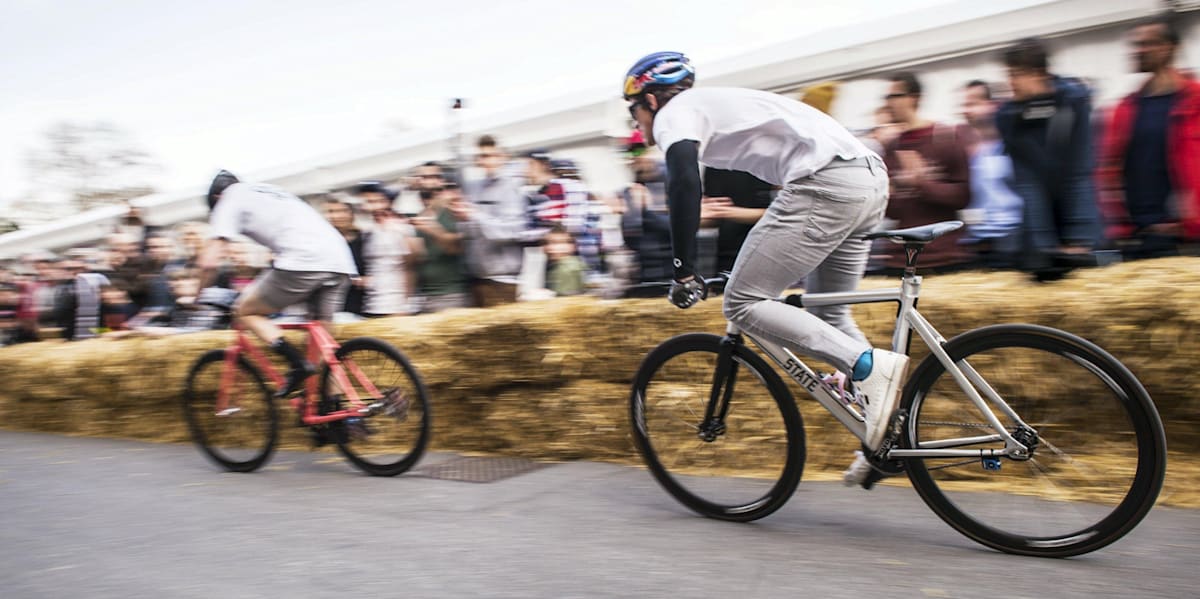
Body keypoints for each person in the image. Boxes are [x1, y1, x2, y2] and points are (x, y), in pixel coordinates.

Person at [622, 51, 908, 455]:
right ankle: (887, 439)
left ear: (650, 100)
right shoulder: (717, 104)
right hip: (868, 179)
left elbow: (684, 183)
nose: (636, 124)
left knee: (742, 302)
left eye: (634, 111)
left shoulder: (676, 112)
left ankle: (867, 367)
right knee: (831, 312)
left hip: (825, 182)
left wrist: (683, 271)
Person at [197, 170, 357, 397]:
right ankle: (342, 416)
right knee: (322, 348)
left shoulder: (229, 199)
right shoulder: (271, 192)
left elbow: (209, 263)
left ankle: (296, 364)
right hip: (340, 261)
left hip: (304, 260)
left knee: (243, 311)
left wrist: (197, 296)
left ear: (216, 199)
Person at [996, 38, 1103, 280]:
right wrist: (1043, 242)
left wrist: (1079, 237)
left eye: (1016, 74)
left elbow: (1080, 170)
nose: (1011, 82)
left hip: (1077, 216)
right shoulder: (1008, 116)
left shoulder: (1073, 102)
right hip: (1038, 224)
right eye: (1009, 74)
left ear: (1039, 73)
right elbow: (1025, 181)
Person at [1097, 14, 1200, 259]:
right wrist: (1118, 223)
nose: (1139, 50)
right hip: (1140, 234)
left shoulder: (1194, 101)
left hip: (1188, 236)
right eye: (1135, 44)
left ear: (1170, 48)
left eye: (1148, 43)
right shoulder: (1125, 108)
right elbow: (1109, 169)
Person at [879, 72, 973, 273]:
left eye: (894, 96)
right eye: (887, 98)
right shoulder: (892, 147)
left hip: (943, 256)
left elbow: (963, 196)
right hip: (902, 258)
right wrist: (886, 194)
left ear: (914, 98)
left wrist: (920, 183)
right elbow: (891, 210)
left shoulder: (946, 138)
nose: (889, 104)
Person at [454, 136, 529, 308]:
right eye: (481, 156)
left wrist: (475, 215)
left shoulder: (513, 187)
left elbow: (512, 230)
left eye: (489, 155)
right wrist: (463, 218)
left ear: (503, 157)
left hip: (505, 280)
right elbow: (468, 233)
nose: (484, 161)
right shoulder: (473, 187)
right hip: (478, 277)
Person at [960, 80, 1024, 268]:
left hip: (1012, 237)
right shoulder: (969, 150)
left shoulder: (1013, 145)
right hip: (978, 241)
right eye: (965, 104)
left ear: (993, 105)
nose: (966, 110)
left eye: (973, 103)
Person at [354, 181, 424, 317]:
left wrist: (406, 304)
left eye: (376, 201)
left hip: (397, 303)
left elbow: (411, 268)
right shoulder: (369, 231)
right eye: (367, 201)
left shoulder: (400, 228)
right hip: (374, 303)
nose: (371, 206)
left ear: (388, 202)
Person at [701, 168, 775, 274]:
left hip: (765, 252)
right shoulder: (715, 164)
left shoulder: (771, 160)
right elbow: (713, 217)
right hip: (728, 256)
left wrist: (728, 212)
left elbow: (791, 213)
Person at [411, 182, 470, 313]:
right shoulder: (420, 218)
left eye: (436, 193)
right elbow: (418, 257)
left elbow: (457, 248)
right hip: (426, 294)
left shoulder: (453, 215)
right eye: (425, 197)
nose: (430, 200)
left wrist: (434, 231)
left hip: (451, 292)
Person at [321, 197, 367, 316]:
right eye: (331, 211)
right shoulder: (322, 241)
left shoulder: (366, 238)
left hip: (363, 303)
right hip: (331, 304)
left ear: (352, 213)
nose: (337, 216)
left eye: (342, 211)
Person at [542, 224, 588, 296]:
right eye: (548, 243)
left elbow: (567, 299)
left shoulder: (569, 267)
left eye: (557, 243)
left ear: (572, 246)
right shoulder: (554, 265)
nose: (550, 247)